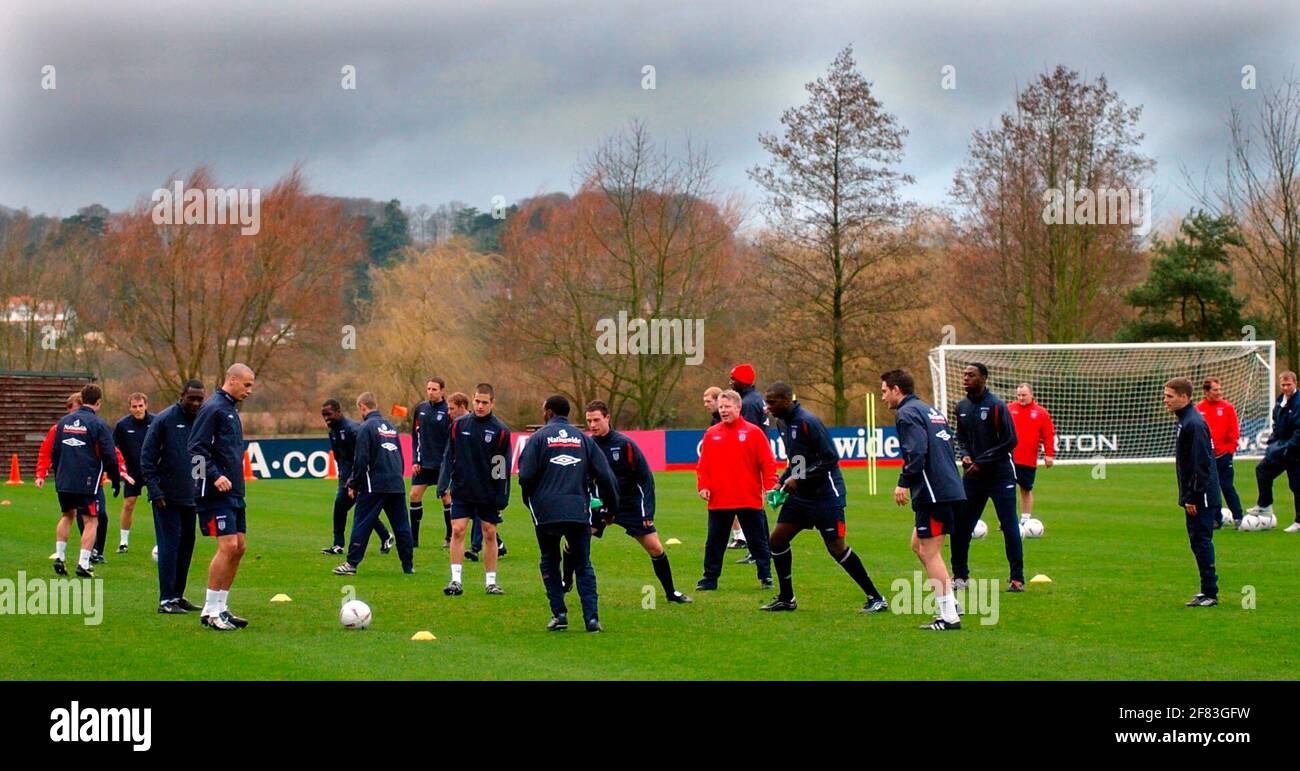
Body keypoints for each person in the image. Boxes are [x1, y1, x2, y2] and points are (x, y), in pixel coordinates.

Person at [761, 382, 887, 613]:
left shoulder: (809, 421)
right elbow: (797, 460)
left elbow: (830, 458)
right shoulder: (782, 424)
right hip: (801, 497)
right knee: (777, 540)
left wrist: (799, 479)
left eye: (772, 402)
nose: (767, 408)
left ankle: (876, 597)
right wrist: (782, 480)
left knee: (836, 547)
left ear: (787, 399)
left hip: (826, 496)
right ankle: (787, 598)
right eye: (766, 402)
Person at [571, 400, 691, 604]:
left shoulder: (624, 444)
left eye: (597, 420)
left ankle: (671, 592)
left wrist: (647, 513)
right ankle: (565, 583)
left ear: (607, 418)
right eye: (589, 421)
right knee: (573, 541)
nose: (592, 425)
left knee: (655, 547)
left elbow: (645, 480)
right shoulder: (586, 445)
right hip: (599, 505)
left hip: (629, 505)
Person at [518, 395, 620, 631]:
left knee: (550, 560)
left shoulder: (538, 438)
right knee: (583, 563)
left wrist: (534, 501)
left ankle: (560, 615)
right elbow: (605, 475)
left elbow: (525, 476)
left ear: (549, 412)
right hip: (578, 509)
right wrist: (611, 509)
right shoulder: (583, 439)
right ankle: (592, 620)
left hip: (546, 511)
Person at [882, 369, 966, 631]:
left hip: (933, 493)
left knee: (930, 552)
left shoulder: (906, 413)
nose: (882, 396)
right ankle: (953, 603)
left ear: (897, 389)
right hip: (948, 487)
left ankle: (949, 617)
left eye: (884, 390)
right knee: (918, 546)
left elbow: (916, 452)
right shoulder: (931, 410)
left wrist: (903, 482)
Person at [189, 363, 255, 631]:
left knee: (239, 547)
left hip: (234, 491)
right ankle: (211, 610)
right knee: (228, 546)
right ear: (232, 379)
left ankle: (221, 607)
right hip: (215, 491)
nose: (250, 391)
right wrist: (214, 475)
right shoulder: (213, 407)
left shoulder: (229, 410)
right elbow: (194, 450)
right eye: (247, 384)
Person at [950, 363, 1025, 593]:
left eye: (971, 375)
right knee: (961, 526)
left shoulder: (997, 406)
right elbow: (961, 437)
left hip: (1000, 475)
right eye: (964, 375)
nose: (965, 378)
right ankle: (960, 576)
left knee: (1009, 525)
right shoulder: (961, 407)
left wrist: (982, 462)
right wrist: (966, 456)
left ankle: (1016, 579)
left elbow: (1010, 441)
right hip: (973, 477)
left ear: (983, 378)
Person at [695, 389, 776, 591]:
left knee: (758, 541)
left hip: (748, 497)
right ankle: (709, 578)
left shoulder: (754, 432)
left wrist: (770, 487)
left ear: (738, 408)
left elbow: (767, 463)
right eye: (721, 407)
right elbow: (703, 466)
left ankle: (765, 576)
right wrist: (703, 486)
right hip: (720, 498)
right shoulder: (712, 434)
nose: (723, 410)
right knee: (714, 542)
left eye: (727, 407)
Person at [437, 383, 511, 595]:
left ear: (492, 403)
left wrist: (501, 495)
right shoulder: (458, 425)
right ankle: (455, 580)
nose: (479, 406)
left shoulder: (500, 431)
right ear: (473, 399)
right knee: (458, 530)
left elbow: (500, 465)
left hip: (487, 492)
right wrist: (443, 483)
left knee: (489, 533)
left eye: (484, 403)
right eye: (477, 401)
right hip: (462, 489)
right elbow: (449, 456)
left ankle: (490, 582)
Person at [332, 392, 416, 576]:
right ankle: (408, 566)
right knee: (401, 525)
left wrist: (354, 483)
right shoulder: (391, 427)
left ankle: (351, 564)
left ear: (362, 406)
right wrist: (397, 477)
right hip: (396, 482)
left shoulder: (365, 427)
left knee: (362, 522)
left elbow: (361, 458)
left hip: (375, 484)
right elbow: (400, 457)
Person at [140, 380, 206, 614]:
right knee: (169, 546)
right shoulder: (165, 420)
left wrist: (200, 485)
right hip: (166, 497)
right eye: (192, 398)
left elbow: (199, 456)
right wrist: (154, 490)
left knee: (187, 546)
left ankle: (178, 595)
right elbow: (147, 457)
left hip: (191, 497)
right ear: (182, 396)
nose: (196, 403)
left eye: (200, 399)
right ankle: (166, 600)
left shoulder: (201, 421)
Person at [48, 384, 121, 578]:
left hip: (64, 479)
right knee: (91, 521)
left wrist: (59, 473)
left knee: (67, 516)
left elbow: (55, 451)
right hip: (87, 481)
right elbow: (109, 455)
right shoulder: (98, 424)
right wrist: (115, 479)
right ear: (98, 402)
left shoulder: (63, 422)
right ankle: (84, 563)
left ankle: (60, 557)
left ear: (81, 399)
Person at [1165, 378, 1221, 606]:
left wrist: (1193, 496)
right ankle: (1206, 590)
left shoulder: (1194, 423)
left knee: (1201, 540)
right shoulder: (1185, 420)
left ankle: (1210, 593)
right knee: (1197, 541)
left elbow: (1201, 463)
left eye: (1170, 396)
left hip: (1202, 495)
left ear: (1184, 397)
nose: (1165, 400)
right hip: (1198, 493)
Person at [321, 399, 391, 555]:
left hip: (358, 477)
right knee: (353, 509)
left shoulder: (353, 429)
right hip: (345, 478)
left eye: (329, 414)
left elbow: (362, 457)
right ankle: (385, 536)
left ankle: (339, 545)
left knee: (348, 508)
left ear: (339, 412)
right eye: (324, 415)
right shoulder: (332, 432)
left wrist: (354, 478)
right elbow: (339, 457)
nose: (326, 418)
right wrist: (342, 476)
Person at [1245, 370, 1300, 532]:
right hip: (1282, 447)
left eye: (1288, 384)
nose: (1285, 387)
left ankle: (1299, 522)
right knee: (1262, 470)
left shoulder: (1298, 402)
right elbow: (1277, 424)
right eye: (1282, 384)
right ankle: (1265, 505)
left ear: (1295, 384)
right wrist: (1273, 443)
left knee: (1297, 485)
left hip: (1295, 451)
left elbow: (1299, 429)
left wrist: (1289, 446)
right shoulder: (1280, 401)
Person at [729, 365, 767, 557]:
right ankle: (760, 550)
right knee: (753, 508)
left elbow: (747, 436)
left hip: (750, 463)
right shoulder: (755, 399)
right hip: (754, 461)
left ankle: (759, 551)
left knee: (752, 509)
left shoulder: (749, 404)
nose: (730, 382)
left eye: (733, 379)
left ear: (742, 381)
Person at [1195, 377, 1243, 528]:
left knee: (1227, 486)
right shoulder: (1198, 408)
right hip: (1207, 456)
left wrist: (1230, 450)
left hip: (1223, 455)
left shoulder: (1227, 407)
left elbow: (1234, 431)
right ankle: (1216, 519)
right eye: (1215, 390)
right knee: (1210, 488)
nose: (1219, 392)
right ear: (1206, 392)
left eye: (1219, 389)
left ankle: (1238, 517)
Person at [112, 392, 155, 554]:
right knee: (129, 504)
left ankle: (161, 541)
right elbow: (114, 449)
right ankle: (123, 542)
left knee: (158, 505)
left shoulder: (156, 422)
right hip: (132, 472)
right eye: (134, 406)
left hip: (152, 471)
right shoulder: (122, 425)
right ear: (129, 408)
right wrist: (120, 471)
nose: (138, 409)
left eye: (140, 406)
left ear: (146, 405)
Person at [410, 377, 450, 548]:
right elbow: (415, 436)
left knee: (446, 497)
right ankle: (414, 539)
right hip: (424, 463)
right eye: (429, 389)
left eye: (434, 389)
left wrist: (449, 463)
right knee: (414, 495)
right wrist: (415, 460)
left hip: (442, 464)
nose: (431, 392)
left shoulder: (449, 410)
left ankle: (449, 537)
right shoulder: (421, 409)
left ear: (442, 391)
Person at [1008, 383, 1054, 525]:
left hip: (1028, 459)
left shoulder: (1041, 413)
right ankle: (1008, 520)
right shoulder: (1009, 409)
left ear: (1031, 395)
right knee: (1007, 489)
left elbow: (1048, 435)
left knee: (1025, 489)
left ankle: (1025, 520)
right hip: (1008, 458)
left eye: (1024, 395)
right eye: (1019, 395)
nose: (1021, 398)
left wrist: (1049, 454)